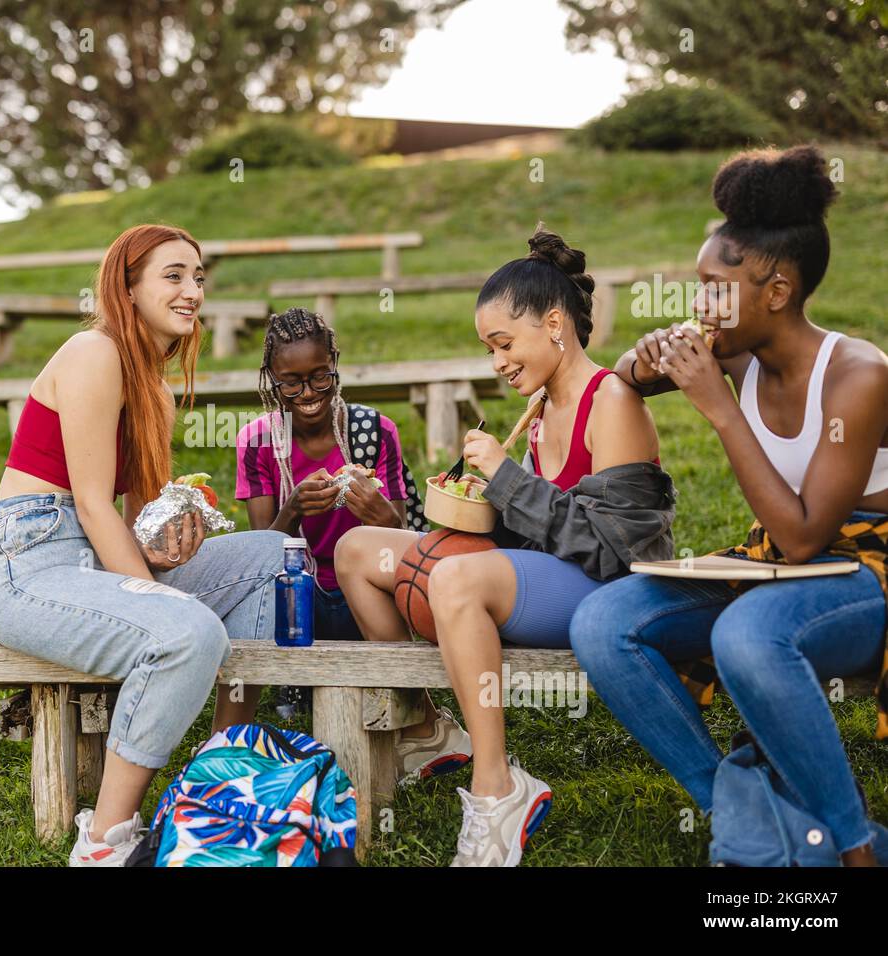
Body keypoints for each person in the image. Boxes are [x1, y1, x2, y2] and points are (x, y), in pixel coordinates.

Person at [570, 145, 888, 866]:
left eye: (717, 288)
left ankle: (853, 846)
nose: (699, 305)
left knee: (746, 636)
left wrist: (719, 409)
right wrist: (641, 360)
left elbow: (807, 537)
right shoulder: (738, 356)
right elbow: (627, 375)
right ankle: (746, 815)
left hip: (865, 572)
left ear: (776, 292)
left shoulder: (858, 376)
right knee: (604, 621)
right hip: (776, 568)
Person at [335, 225, 675, 866]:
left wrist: (508, 478)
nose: (497, 363)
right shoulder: (542, 407)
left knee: (455, 580)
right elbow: (530, 529)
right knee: (358, 551)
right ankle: (427, 730)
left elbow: (615, 548)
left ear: (554, 324)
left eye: (503, 343)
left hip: (611, 592)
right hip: (548, 576)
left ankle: (498, 786)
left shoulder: (614, 403)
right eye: (489, 349)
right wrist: (471, 500)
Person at [0, 224, 286, 867]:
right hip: (32, 563)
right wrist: (151, 592)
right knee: (187, 632)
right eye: (173, 276)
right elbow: (90, 502)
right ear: (128, 287)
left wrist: (169, 541)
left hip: (95, 558)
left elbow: (139, 521)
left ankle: (219, 771)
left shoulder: (153, 390)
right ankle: (105, 840)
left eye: (198, 277)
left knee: (272, 559)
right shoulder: (94, 353)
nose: (192, 291)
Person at [234, 307, 420, 645]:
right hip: (301, 598)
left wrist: (382, 516)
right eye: (291, 383)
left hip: (367, 591)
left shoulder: (374, 431)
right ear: (271, 378)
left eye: (320, 376)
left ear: (334, 362)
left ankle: (402, 689)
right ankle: (293, 683)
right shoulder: (258, 441)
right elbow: (262, 561)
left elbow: (398, 549)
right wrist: (293, 510)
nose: (307, 393)